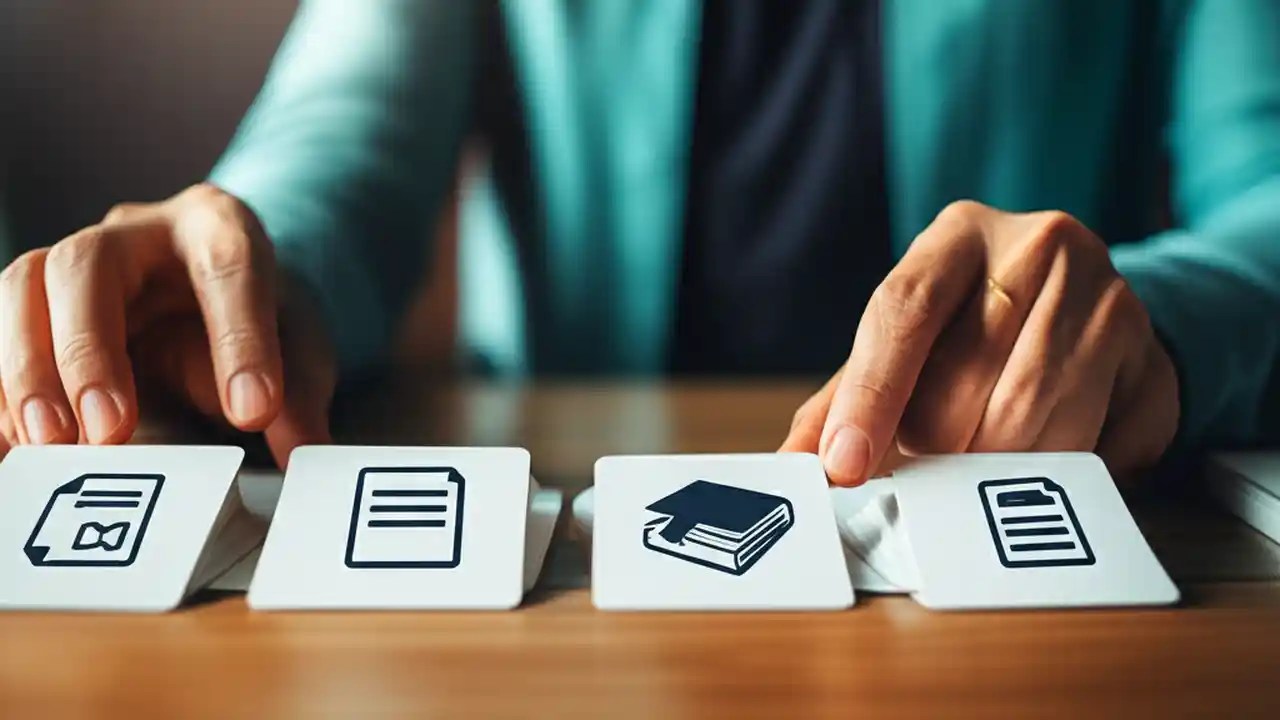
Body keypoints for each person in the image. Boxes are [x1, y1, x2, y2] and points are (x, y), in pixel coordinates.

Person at [0, 1, 1277, 485]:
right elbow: (341, 140)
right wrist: (242, 270)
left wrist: (1149, 323)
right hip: (567, 544)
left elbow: (1263, 193)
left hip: (1001, 521)